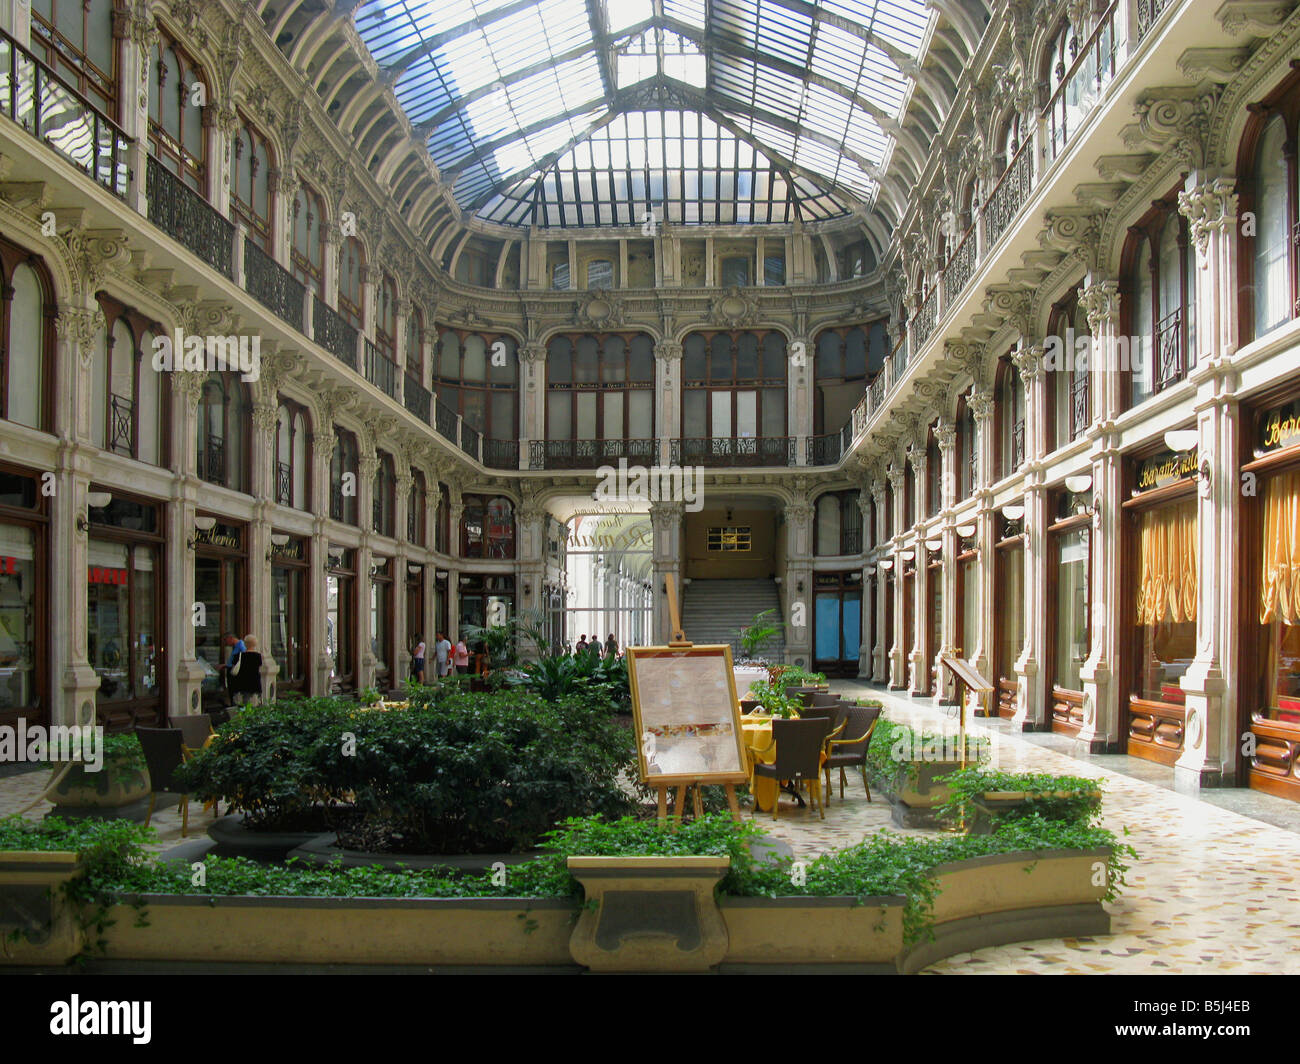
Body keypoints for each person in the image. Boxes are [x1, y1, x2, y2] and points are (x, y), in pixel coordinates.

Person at [228, 634, 263, 707]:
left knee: (240, 710)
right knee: (253, 710)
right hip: (254, 685)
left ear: (245, 643)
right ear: (255, 644)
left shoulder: (238, 656)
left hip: (240, 685)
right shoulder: (258, 656)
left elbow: (233, 668)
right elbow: (259, 669)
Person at [218, 633, 245, 704]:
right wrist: (225, 665)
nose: (226, 642)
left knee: (235, 693)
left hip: (235, 672)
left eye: (225, 640)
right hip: (231, 670)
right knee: (231, 692)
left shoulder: (240, 645)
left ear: (230, 638)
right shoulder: (235, 646)